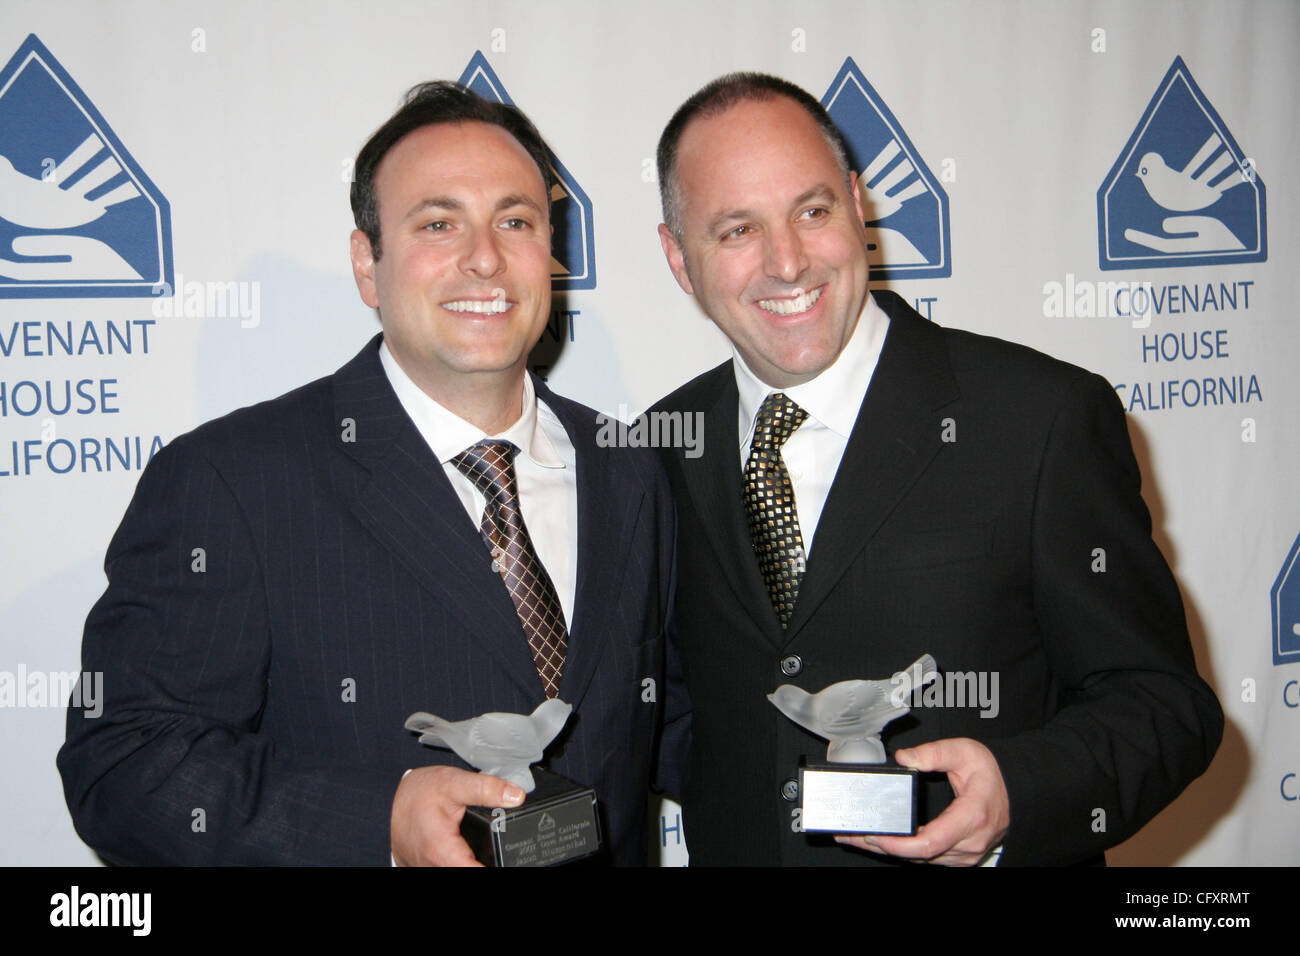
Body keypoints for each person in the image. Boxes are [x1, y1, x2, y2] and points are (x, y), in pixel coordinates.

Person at [57, 82, 675, 866]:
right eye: (438, 223)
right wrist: (375, 823)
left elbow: (668, 722)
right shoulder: (231, 482)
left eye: (515, 221)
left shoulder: (630, 469)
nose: (484, 256)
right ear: (366, 263)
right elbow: (124, 762)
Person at [651, 72, 1222, 866]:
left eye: (812, 212)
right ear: (680, 258)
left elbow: (1164, 704)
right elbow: (669, 708)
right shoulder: (657, 448)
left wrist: (1015, 790)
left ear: (858, 205)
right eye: (737, 230)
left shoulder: (1039, 419)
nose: (787, 263)